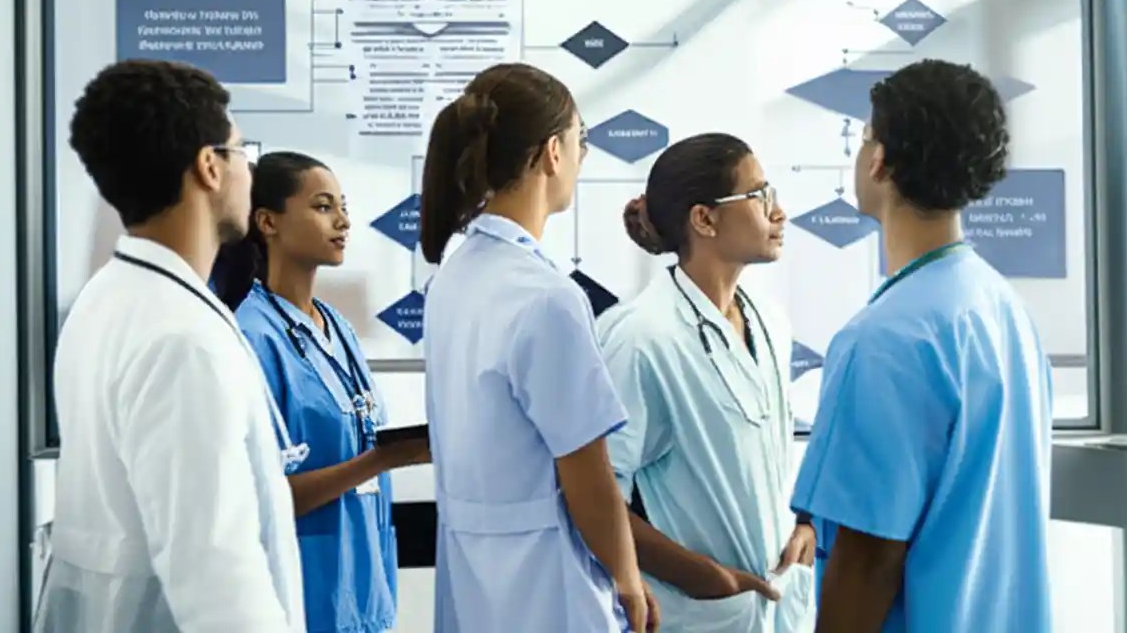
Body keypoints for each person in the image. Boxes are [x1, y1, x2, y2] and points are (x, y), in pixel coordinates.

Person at [35, 59, 305, 632]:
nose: (248, 172)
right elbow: (218, 579)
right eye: (240, 153)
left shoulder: (105, 299)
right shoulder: (183, 340)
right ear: (209, 166)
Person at [790, 59, 1054, 632]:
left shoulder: (883, 341)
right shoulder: (1003, 310)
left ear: (879, 159)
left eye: (865, 138)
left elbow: (865, 564)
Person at [418, 62, 658, 633]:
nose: (582, 156)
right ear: (553, 151)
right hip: (549, 586)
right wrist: (626, 576)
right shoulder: (547, 296)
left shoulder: (453, 277)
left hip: (475, 579)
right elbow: (587, 471)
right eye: (581, 140)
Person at [597, 133, 816, 632]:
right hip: (700, 613)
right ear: (705, 219)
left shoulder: (770, 320)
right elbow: (596, 493)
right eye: (759, 197)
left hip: (781, 604)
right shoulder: (639, 336)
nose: (778, 213)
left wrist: (804, 522)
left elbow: (769, 456)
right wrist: (704, 577)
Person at [211, 151, 430, 633]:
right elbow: (260, 498)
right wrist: (380, 460)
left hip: (364, 593)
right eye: (324, 207)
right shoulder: (252, 335)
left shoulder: (338, 329)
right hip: (301, 601)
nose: (344, 221)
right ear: (267, 221)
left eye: (343, 207)